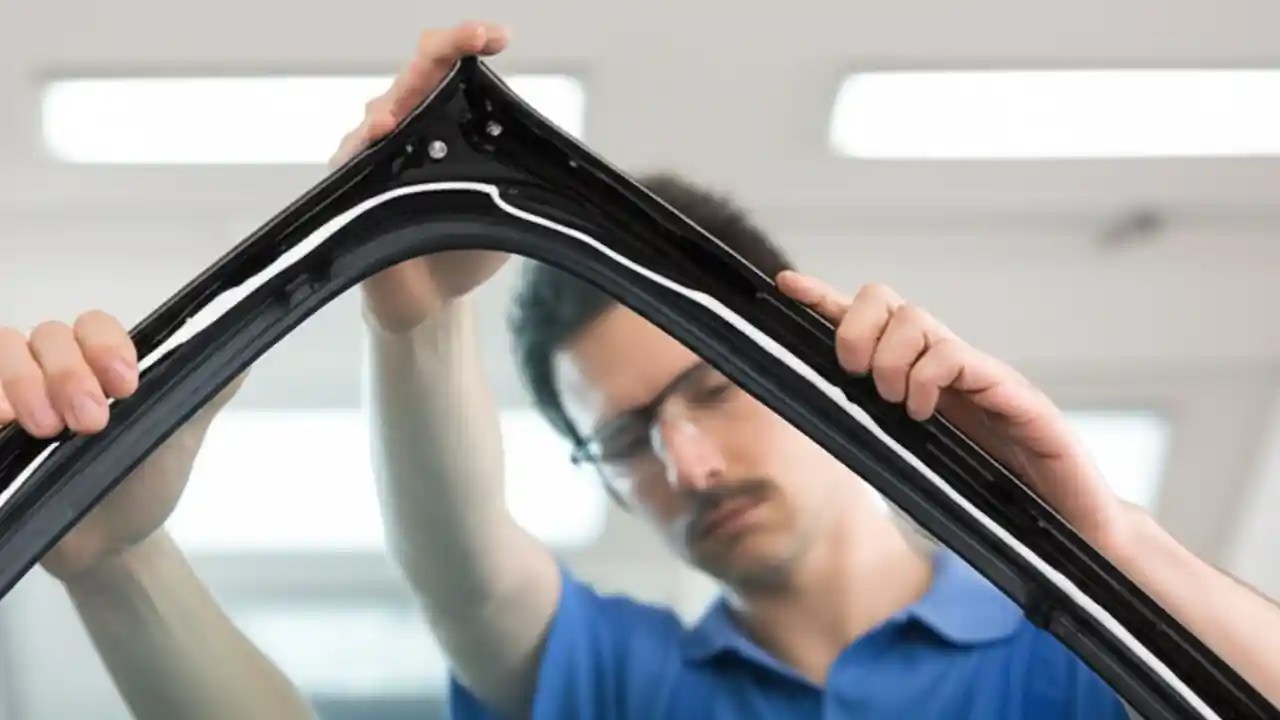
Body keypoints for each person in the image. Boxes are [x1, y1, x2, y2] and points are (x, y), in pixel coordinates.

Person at [1, 19, 1277, 720]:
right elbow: (465, 576)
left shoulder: (1064, 655)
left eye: (708, 390)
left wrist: (1107, 550)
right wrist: (414, 319)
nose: (686, 462)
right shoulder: (627, 685)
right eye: (620, 440)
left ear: (808, 370)